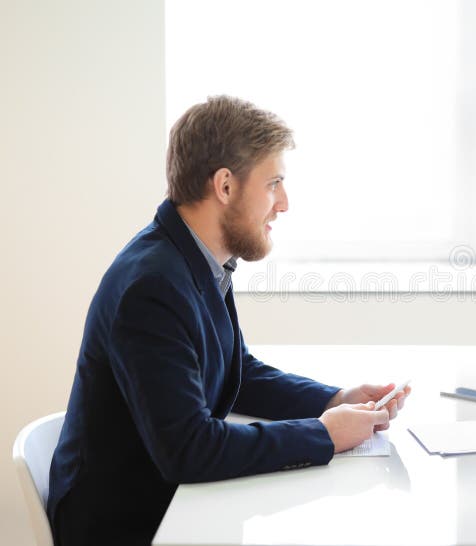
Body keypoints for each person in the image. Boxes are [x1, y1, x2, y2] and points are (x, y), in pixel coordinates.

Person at [47, 95, 411, 546]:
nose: (284, 204)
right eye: (274, 182)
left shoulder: (194, 257)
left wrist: (334, 399)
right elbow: (190, 450)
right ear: (224, 186)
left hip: (170, 502)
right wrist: (322, 435)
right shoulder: (151, 287)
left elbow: (239, 371)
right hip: (126, 524)